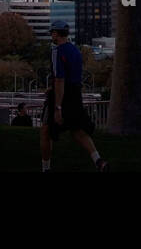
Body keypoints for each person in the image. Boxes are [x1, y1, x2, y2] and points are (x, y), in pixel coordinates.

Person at [40, 22, 107, 172]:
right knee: (78, 130)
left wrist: (58, 107)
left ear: (56, 34)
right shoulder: (76, 51)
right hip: (76, 94)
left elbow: (60, 79)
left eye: (52, 32)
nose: (51, 35)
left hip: (62, 94)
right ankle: (98, 160)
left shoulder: (57, 51)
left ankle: (46, 168)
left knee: (45, 131)